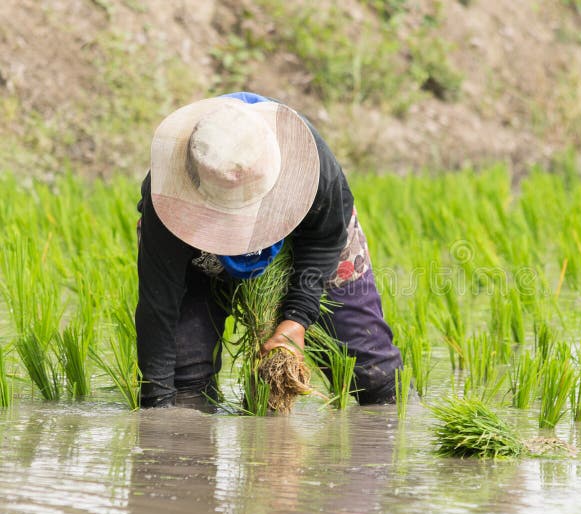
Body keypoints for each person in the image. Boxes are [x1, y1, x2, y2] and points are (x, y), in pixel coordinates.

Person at [135, 91, 403, 409]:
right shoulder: (169, 203)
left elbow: (323, 240)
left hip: (309, 241)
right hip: (199, 253)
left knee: (376, 379)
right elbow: (158, 306)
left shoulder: (313, 165)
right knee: (184, 389)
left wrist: (296, 321)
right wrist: (157, 413)